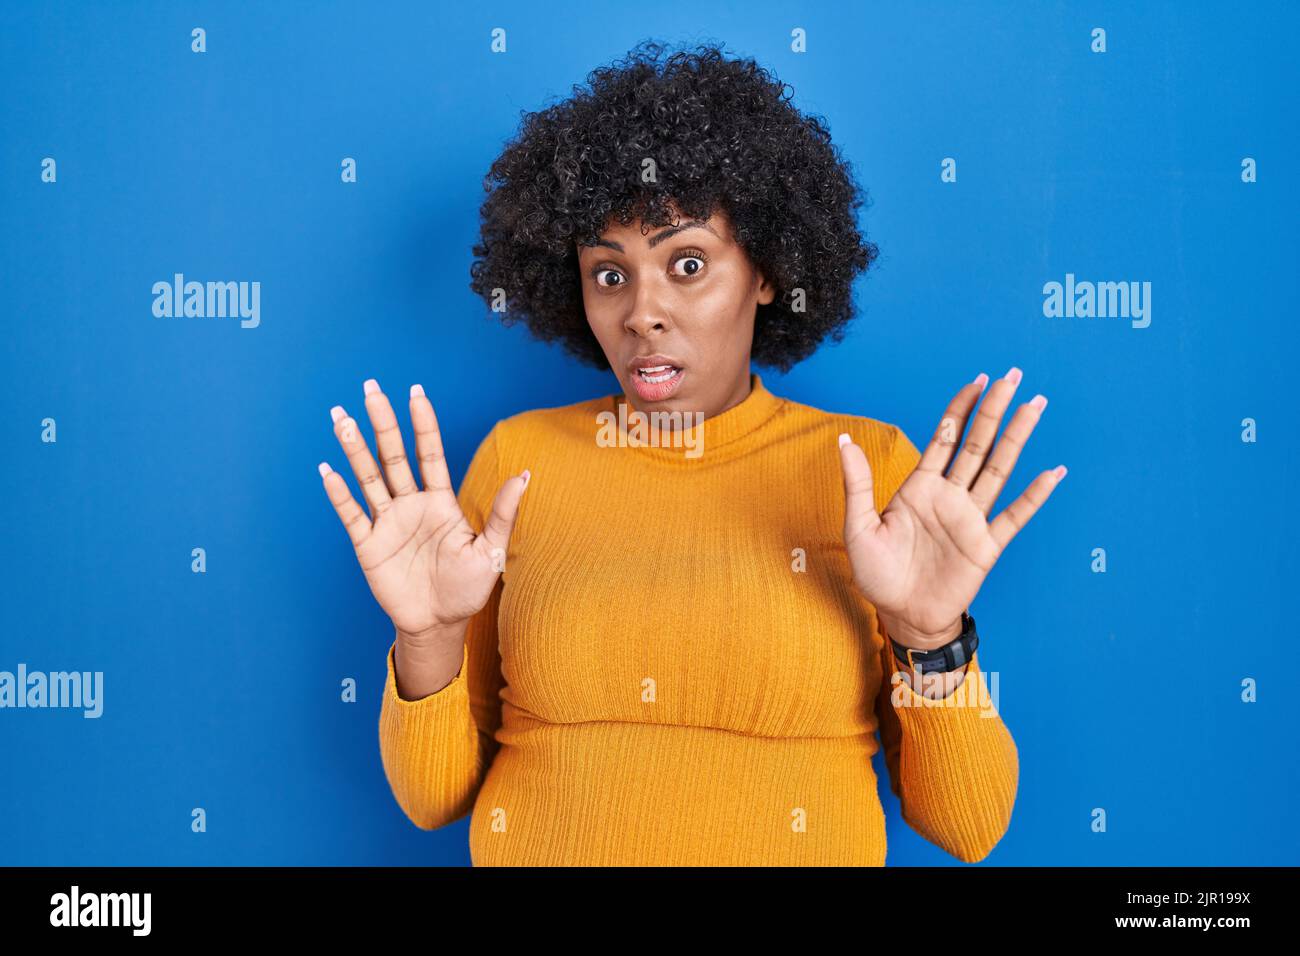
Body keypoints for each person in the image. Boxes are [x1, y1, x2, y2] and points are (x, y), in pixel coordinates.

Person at [318, 40, 1064, 866]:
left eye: (687, 263)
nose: (643, 312)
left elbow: (969, 825)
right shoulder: (516, 463)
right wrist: (427, 639)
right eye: (610, 274)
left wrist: (931, 641)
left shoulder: (865, 471)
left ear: (769, 272)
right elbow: (435, 802)